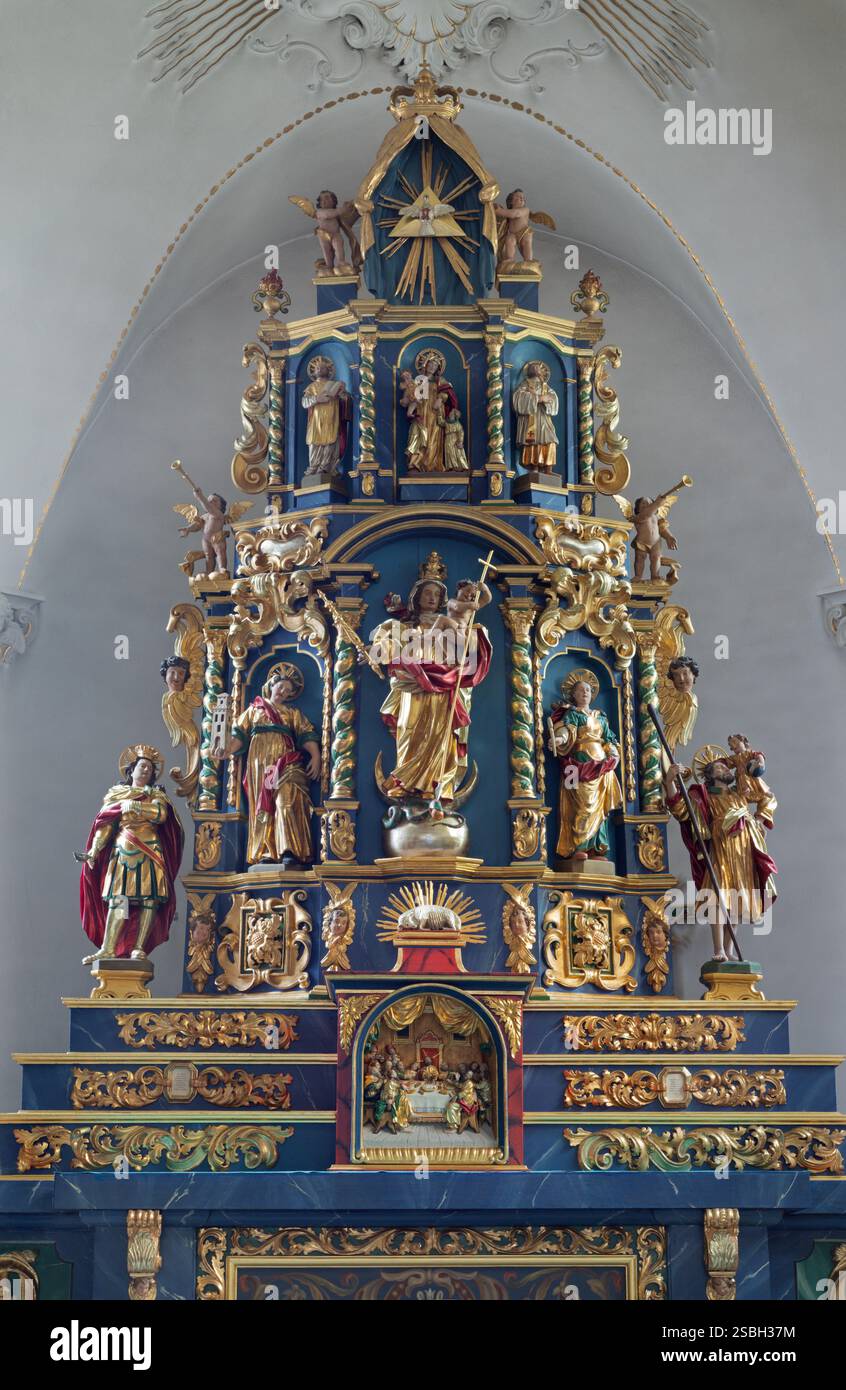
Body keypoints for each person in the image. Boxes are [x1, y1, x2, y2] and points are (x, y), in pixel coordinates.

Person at [366, 574, 492, 804]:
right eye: (428, 592)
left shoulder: (452, 623)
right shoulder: (402, 627)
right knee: (409, 728)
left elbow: (466, 654)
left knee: (439, 734)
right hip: (413, 686)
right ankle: (405, 781)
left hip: (442, 686)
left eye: (437, 594)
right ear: (417, 597)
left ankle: (433, 785)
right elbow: (385, 647)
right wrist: (374, 652)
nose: (433, 598)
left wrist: (470, 635)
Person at [665, 749, 777, 962]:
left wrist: (759, 821)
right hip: (721, 847)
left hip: (743, 850)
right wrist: (670, 782)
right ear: (710, 775)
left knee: (737, 896)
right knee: (718, 896)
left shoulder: (740, 792)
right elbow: (680, 810)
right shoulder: (702, 796)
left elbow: (766, 796)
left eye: (725, 766)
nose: (726, 768)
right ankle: (719, 949)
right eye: (720, 767)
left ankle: (729, 948)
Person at [77, 745, 183, 963]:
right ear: (131, 770)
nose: (146, 771)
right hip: (123, 849)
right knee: (118, 899)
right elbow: (105, 826)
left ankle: (139, 947)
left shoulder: (156, 794)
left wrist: (135, 807)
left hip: (150, 850)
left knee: (149, 899)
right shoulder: (116, 795)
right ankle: (108, 948)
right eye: (142, 766)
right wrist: (94, 850)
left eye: (150, 769)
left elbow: (160, 815)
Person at [222, 662, 320, 869]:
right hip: (261, 764)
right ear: (271, 685)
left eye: (288, 691)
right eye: (281, 687)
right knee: (262, 804)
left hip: (285, 763)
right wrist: (225, 750)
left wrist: (315, 756)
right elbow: (238, 738)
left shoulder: (292, 713)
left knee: (286, 801)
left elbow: (306, 733)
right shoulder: (253, 710)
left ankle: (289, 850)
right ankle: (265, 852)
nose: (283, 692)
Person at [548, 669, 622, 862]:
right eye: (581, 690)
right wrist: (559, 738)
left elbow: (609, 739)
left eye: (588, 690)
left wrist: (613, 752)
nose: (585, 693)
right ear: (573, 695)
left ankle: (597, 849)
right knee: (581, 804)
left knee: (599, 809)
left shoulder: (601, 717)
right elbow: (566, 731)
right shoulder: (573, 715)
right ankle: (578, 846)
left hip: (601, 765)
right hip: (578, 764)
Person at [512, 362, 559, 473]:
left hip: (543, 417)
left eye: (539, 368)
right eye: (534, 368)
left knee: (550, 439)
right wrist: (538, 398)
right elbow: (518, 397)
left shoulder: (545, 386)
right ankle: (535, 467)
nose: (537, 369)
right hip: (531, 419)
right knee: (533, 440)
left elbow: (553, 398)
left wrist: (548, 399)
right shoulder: (525, 384)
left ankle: (548, 468)